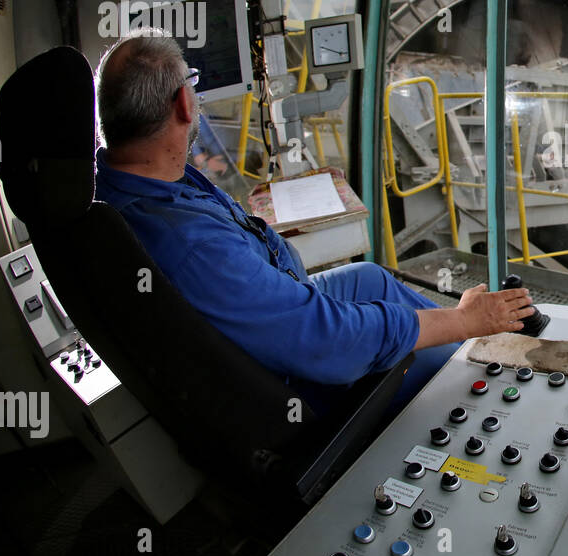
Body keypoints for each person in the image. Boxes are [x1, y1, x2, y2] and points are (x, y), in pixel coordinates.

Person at [93, 31, 535, 416]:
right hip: (297, 381)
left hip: (272, 310)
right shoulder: (190, 243)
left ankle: (467, 335)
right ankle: (484, 372)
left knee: (369, 278)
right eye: (192, 85)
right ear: (184, 105)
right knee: (445, 365)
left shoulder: (133, 183)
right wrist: (460, 322)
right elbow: (326, 340)